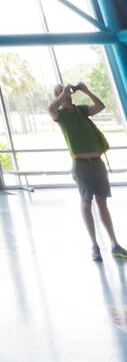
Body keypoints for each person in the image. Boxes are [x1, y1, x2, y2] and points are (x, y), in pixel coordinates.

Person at [49, 81, 127, 262]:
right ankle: (94, 245)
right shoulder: (60, 115)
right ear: (58, 97)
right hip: (80, 164)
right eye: (61, 92)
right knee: (86, 202)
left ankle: (114, 244)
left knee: (102, 203)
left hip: (97, 162)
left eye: (67, 92)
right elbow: (50, 108)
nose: (67, 94)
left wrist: (86, 91)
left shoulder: (81, 110)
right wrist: (62, 93)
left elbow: (100, 106)